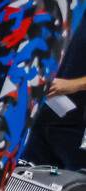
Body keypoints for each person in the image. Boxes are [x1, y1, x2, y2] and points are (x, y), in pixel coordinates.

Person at [26, 21, 86, 171]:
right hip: (43, 116)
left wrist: (75, 84)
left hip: (75, 130)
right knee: (26, 179)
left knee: (72, 187)